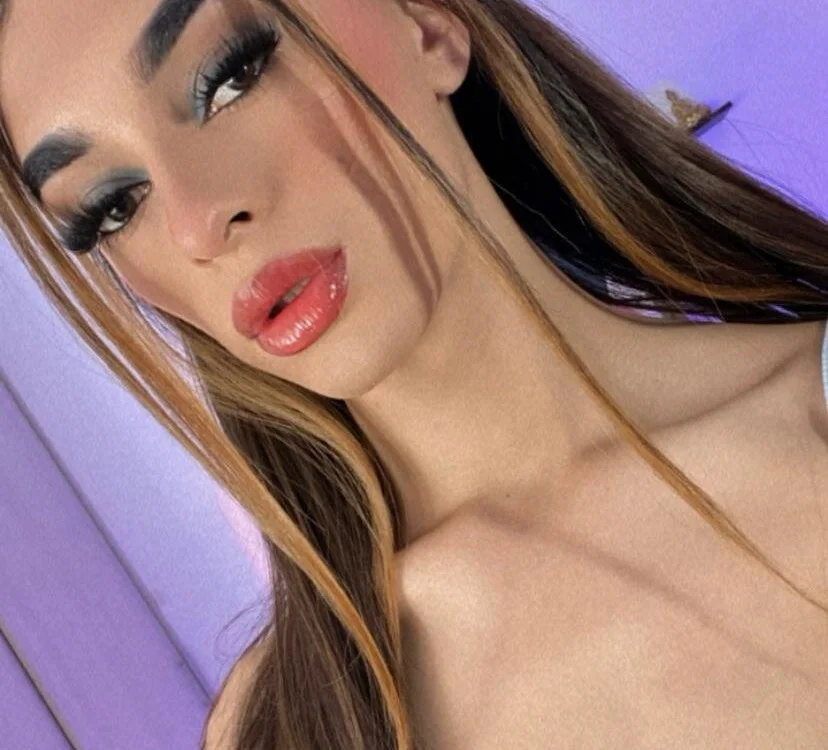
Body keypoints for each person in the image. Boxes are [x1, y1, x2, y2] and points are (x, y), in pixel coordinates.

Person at [0, 0, 826, 747]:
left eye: (229, 76)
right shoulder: (278, 728)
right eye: (113, 206)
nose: (195, 223)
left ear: (428, 25)